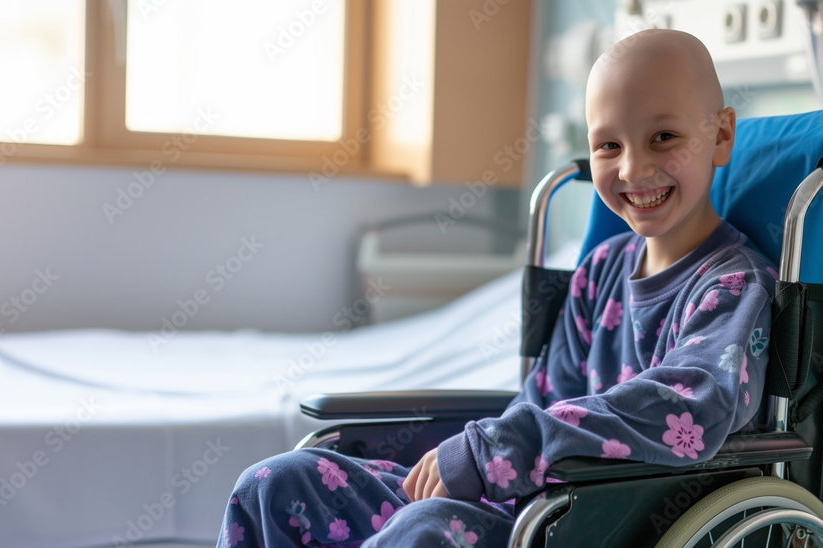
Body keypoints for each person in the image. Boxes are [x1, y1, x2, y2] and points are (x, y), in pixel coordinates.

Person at [216, 28, 778, 548]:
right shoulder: (600, 269)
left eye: (663, 137)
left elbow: (693, 411)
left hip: (602, 524)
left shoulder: (733, 284)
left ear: (720, 134)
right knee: (275, 482)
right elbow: (545, 398)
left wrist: (500, 446)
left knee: (424, 529)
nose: (634, 169)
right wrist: (488, 453)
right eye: (609, 146)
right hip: (519, 505)